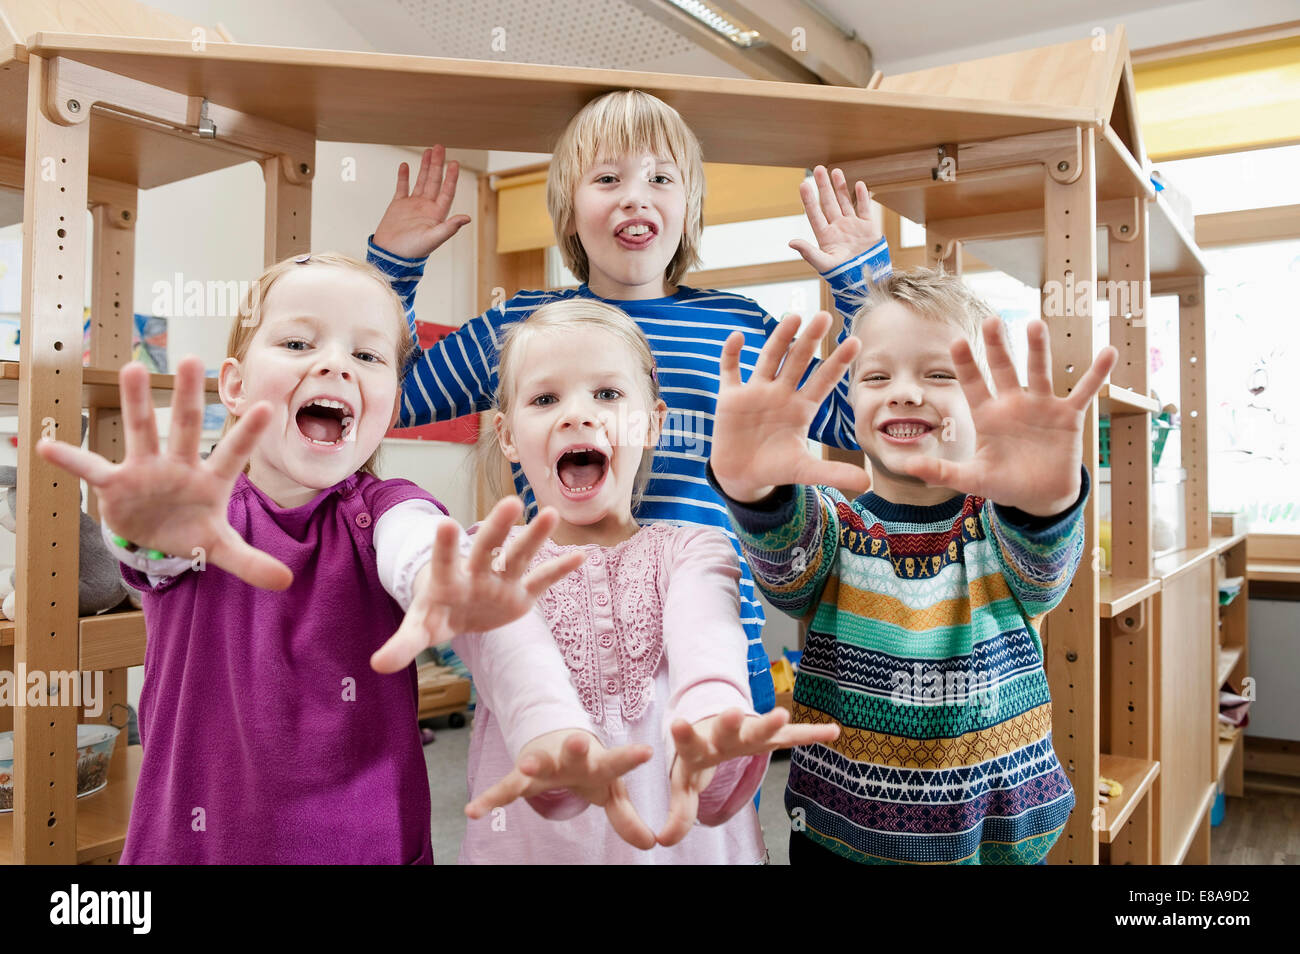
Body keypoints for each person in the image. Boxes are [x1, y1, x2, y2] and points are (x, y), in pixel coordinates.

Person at [36, 252, 582, 864]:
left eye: (367, 356)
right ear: (236, 386)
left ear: (393, 406)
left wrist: (448, 584)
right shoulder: (201, 514)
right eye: (298, 342)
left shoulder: (392, 511)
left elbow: (419, 547)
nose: (333, 364)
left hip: (367, 849)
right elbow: (153, 553)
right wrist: (141, 529)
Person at [365, 89, 892, 712]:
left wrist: (863, 286)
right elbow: (385, 400)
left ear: (688, 206)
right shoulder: (524, 323)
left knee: (714, 807)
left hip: (717, 646)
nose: (634, 195)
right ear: (570, 210)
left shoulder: (740, 325)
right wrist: (392, 268)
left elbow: (868, 421)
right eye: (608, 177)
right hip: (558, 646)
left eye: (660, 178)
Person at [707, 268, 1119, 864]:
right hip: (838, 837)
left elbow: (1044, 569)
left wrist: (1043, 501)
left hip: (996, 838)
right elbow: (787, 571)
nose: (903, 391)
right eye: (877, 376)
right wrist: (757, 493)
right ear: (850, 401)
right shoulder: (836, 526)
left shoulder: (997, 525)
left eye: (939, 374)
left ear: (984, 402)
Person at [448, 299, 839, 863]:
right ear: (507, 436)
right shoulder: (484, 557)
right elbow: (511, 660)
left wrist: (711, 723)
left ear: (653, 422)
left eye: (607, 394)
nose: (577, 415)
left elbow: (708, 643)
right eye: (545, 398)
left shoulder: (694, 548)